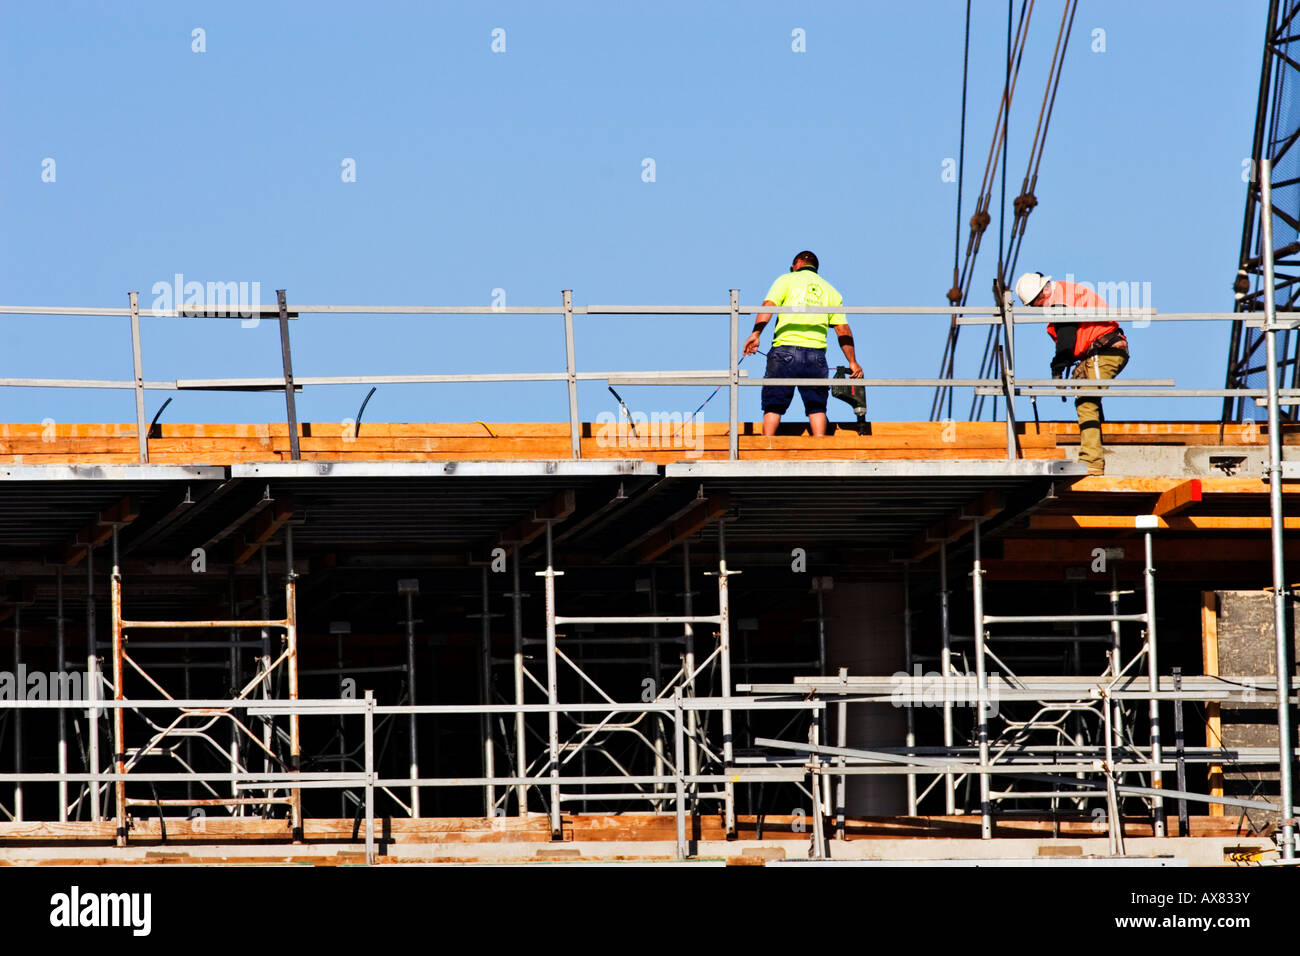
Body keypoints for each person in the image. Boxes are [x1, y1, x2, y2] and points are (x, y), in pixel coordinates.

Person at [1014, 272, 1129, 476]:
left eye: (1037, 303)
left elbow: (1066, 339)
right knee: (1089, 400)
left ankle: (1092, 462)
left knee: (1086, 402)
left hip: (1104, 350)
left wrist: (1057, 366)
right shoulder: (1065, 293)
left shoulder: (1059, 303)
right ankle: (1098, 450)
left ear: (1044, 291)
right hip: (1103, 350)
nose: (1039, 308)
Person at [743, 251, 863, 437]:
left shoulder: (786, 280)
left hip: (784, 351)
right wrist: (853, 362)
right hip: (816, 356)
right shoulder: (831, 291)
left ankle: (766, 447)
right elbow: (842, 330)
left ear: (797, 263)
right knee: (817, 407)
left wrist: (756, 334)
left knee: (773, 404)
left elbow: (768, 306)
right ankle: (820, 447)